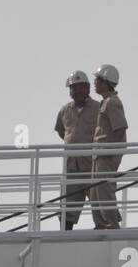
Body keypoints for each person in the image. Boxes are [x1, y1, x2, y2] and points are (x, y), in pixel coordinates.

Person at [54, 70, 101, 230]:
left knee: (100, 202)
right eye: (75, 87)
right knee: (67, 206)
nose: (79, 91)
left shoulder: (99, 108)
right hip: (72, 166)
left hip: (92, 164)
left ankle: (104, 232)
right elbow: (62, 131)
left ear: (88, 88)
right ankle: (64, 236)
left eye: (82, 87)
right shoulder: (64, 110)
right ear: (70, 91)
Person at [90, 63, 127, 230]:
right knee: (95, 191)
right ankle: (100, 223)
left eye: (97, 80)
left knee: (105, 190)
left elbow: (120, 129)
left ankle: (112, 224)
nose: (94, 83)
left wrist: (112, 154)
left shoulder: (113, 102)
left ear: (106, 82)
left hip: (106, 154)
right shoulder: (105, 102)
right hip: (100, 153)